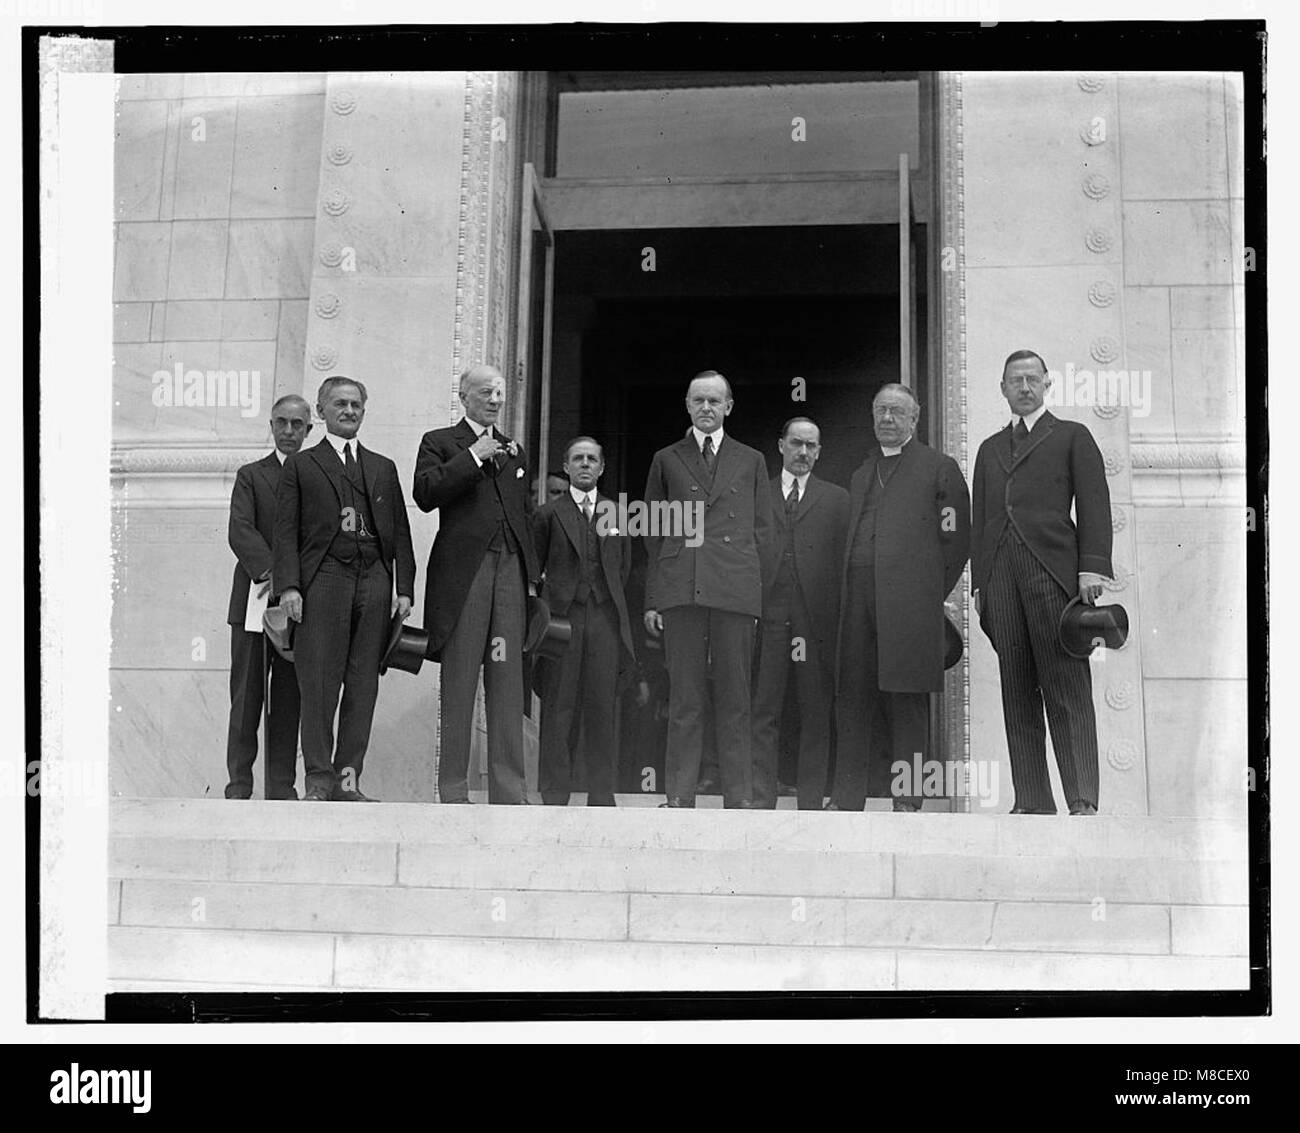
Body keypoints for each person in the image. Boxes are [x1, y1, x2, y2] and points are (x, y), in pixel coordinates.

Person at [971, 350, 1113, 816]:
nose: (1025, 387)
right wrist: (980, 583)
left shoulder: (1071, 436)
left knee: (1066, 685)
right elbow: (981, 519)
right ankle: (1032, 800)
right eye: (1016, 380)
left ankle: (1082, 799)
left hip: (1052, 574)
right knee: (1017, 687)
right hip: (1001, 577)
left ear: (1048, 384)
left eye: (1033, 379)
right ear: (1003, 388)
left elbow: (1094, 503)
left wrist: (1092, 568)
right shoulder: (989, 449)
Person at [272, 377, 415, 802]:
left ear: (364, 411)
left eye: (355, 405)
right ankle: (318, 782)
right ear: (322, 410)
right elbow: (285, 533)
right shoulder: (301, 465)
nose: (349, 411)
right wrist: (290, 588)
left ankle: (348, 783)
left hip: (374, 578)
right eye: (339, 404)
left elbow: (401, 533)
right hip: (325, 578)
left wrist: (403, 586)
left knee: (362, 685)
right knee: (318, 683)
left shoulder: (382, 467)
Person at [829, 383, 970, 813]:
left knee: (907, 702)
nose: (887, 419)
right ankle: (847, 798)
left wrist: (929, 594)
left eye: (896, 412)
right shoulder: (860, 472)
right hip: (857, 601)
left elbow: (956, 538)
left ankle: (908, 798)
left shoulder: (939, 468)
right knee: (852, 698)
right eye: (880, 411)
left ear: (915, 418)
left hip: (911, 606)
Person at [643, 370, 773, 808]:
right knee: (685, 698)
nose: (706, 408)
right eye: (698, 400)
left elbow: (762, 531)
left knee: (736, 698)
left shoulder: (751, 459)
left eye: (714, 401)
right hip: (684, 588)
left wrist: (755, 597)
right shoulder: (666, 458)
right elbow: (654, 534)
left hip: (735, 591)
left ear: (729, 407)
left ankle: (739, 799)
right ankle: (679, 796)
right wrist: (655, 598)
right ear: (687, 405)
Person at [413, 364, 541, 804]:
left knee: (507, 682)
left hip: (510, 571)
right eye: (486, 391)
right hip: (465, 574)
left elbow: (522, 516)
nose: (495, 399)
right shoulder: (440, 442)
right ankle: (453, 790)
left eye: (501, 392)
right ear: (464, 397)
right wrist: (473, 457)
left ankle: (510, 791)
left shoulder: (515, 451)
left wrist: (532, 578)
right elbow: (425, 493)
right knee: (461, 679)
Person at [751, 417, 849, 810]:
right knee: (763, 708)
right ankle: (760, 798)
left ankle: (810, 800)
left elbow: (844, 564)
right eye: (796, 443)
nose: (803, 452)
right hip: (768, 618)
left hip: (815, 622)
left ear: (820, 451)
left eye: (811, 445)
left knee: (815, 710)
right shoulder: (757, 494)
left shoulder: (837, 499)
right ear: (780, 445)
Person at [532, 436, 636, 806]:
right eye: (578, 459)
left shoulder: (618, 513)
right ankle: (555, 793)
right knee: (560, 706)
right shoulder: (547, 513)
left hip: (605, 617)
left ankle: (602, 794)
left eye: (592, 458)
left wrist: (602, 599)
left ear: (602, 467)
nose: (586, 464)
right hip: (563, 619)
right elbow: (535, 568)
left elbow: (622, 568)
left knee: (601, 707)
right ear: (567, 466)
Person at [224, 394, 311, 800]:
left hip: (299, 606)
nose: (289, 431)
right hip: (257, 600)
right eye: (282, 423)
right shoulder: (252, 475)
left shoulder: (316, 476)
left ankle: (281, 788)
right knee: (246, 698)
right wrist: (276, 575)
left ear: (310, 429)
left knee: (289, 700)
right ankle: (239, 785)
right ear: (272, 426)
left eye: (298, 424)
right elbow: (240, 529)